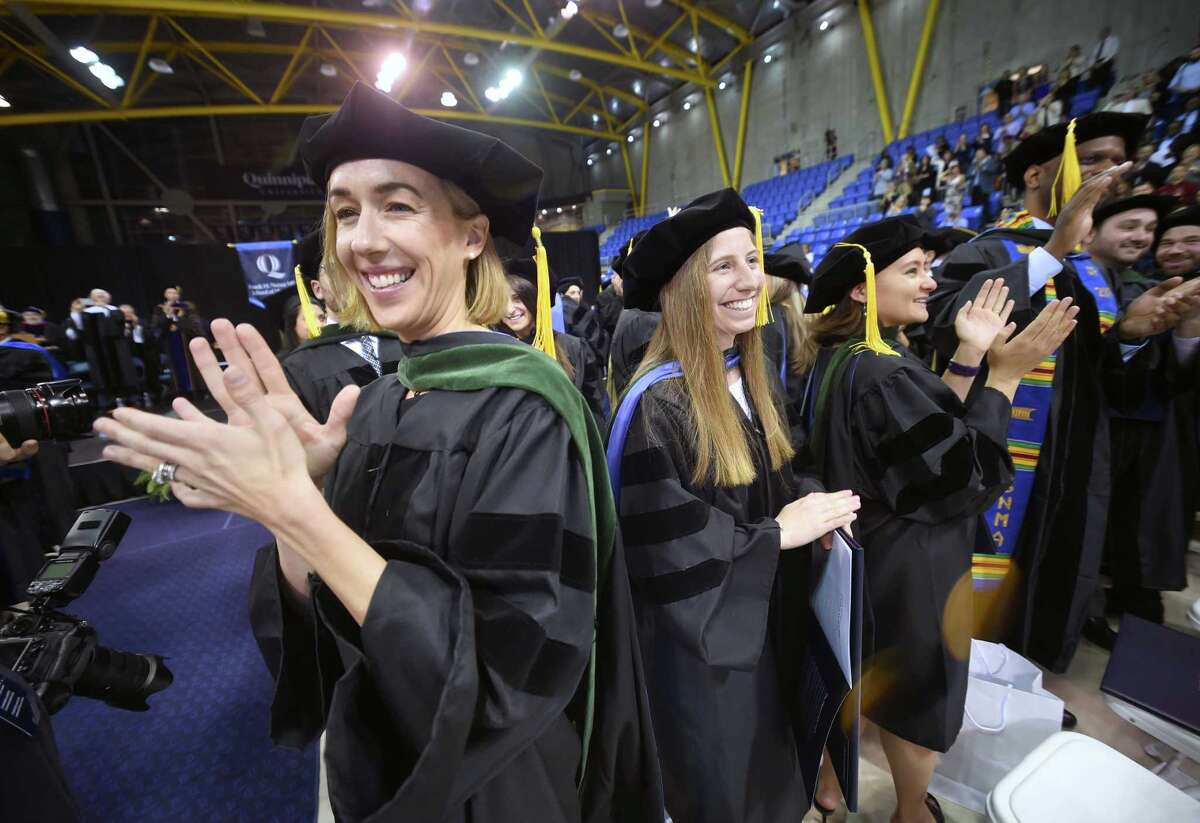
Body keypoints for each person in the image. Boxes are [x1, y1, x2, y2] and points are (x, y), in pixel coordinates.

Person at [92, 82, 662, 822]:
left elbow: (501, 677)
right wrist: (297, 513)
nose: (361, 240)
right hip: (374, 757)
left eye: (397, 206)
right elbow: (331, 631)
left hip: (490, 789)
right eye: (344, 212)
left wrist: (298, 512)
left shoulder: (525, 411)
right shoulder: (381, 399)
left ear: (472, 237)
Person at [796, 216, 1075, 823]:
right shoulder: (884, 370)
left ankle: (828, 785)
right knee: (919, 696)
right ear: (862, 288)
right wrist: (1006, 376)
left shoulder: (845, 357)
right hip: (914, 561)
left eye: (928, 268)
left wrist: (971, 353)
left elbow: (928, 424)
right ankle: (909, 812)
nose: (930, 282)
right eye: (913, 270)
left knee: (861, 675)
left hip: (869, 551)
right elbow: (963, 473)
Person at [608, 187, 860, 823]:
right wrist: (777, 536)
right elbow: (666, 565)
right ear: (684, 289)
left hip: (764, 628)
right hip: (705, 660)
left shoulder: (749, 375)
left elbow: (772, 479)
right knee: (724, 787)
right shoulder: (658, 407)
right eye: (724, 266)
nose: (750, 280)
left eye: (752, 260)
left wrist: (808, 505)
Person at [921, 111, 1200, 675]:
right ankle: (964, 683)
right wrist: (1050, 251)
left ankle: (1021, 677)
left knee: (1051, 574)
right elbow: (946, 324)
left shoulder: (1094, 273)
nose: (1108, 172)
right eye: (1091, 159)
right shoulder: (990, 250)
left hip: (1071, 461)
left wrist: (1131, 333)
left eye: (1115, 161)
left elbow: (1105, 381)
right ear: (1035, 175)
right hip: (998, 450)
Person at [1085, 197, 1200, 636]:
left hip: (1159, 429)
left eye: (1150, 231)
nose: (1169, 247)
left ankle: (1134, 602)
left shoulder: (1146, 288)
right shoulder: (1138, 290)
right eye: (1166, 240)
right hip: (1118, 423)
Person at [280, 231, 405, 424]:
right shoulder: (300, 367)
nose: (346, 275)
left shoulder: (405, 342)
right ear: (317, 289)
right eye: (333, 268)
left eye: (352, 266)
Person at [502, 257, 605, 421]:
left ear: (534, 300)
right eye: (502, 301)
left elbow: (594, 412)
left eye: (517, 299)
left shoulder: (574, 348)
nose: (510, 309)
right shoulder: (501, 354)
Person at [81, 288, 138, 409]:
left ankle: (128, 397)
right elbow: (87, 332)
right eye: (97, 295)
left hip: (117, 346)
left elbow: (121, 326)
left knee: (123, 369)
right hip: (99, 347)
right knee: (103, 372)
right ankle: (109, 400)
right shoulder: (87, 312)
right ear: (92, 298)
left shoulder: (115, 310)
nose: (100, 296)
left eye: (102, 294)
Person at [148, 286, 207, 400]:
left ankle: (197, 390)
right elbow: (156, 326)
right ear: (165, 295)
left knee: (190, 366)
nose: (173, 295)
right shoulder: (159, 309)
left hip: (185, 340)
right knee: (175, 367)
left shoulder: (187, 306)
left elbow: (193, 323)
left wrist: (177, 323)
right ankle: (180, 391)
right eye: (169, 292)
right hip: (170, 342)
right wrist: (168, 316)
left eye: (175, 293)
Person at [1088, 26, 1120, 95]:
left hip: (1107, 60)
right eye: (1101, 33)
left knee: (1102, 74)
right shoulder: (1099, 43)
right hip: (1098, 61)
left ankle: (1102, 92)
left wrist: (1102, 62)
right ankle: (1091, 92)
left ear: (1107, 32)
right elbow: (1094, 55)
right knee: (1092, 76)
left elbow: (1112, 53)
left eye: (1103, 33)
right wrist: (1091, 65)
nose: (1101, 34)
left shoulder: (1113, 40)